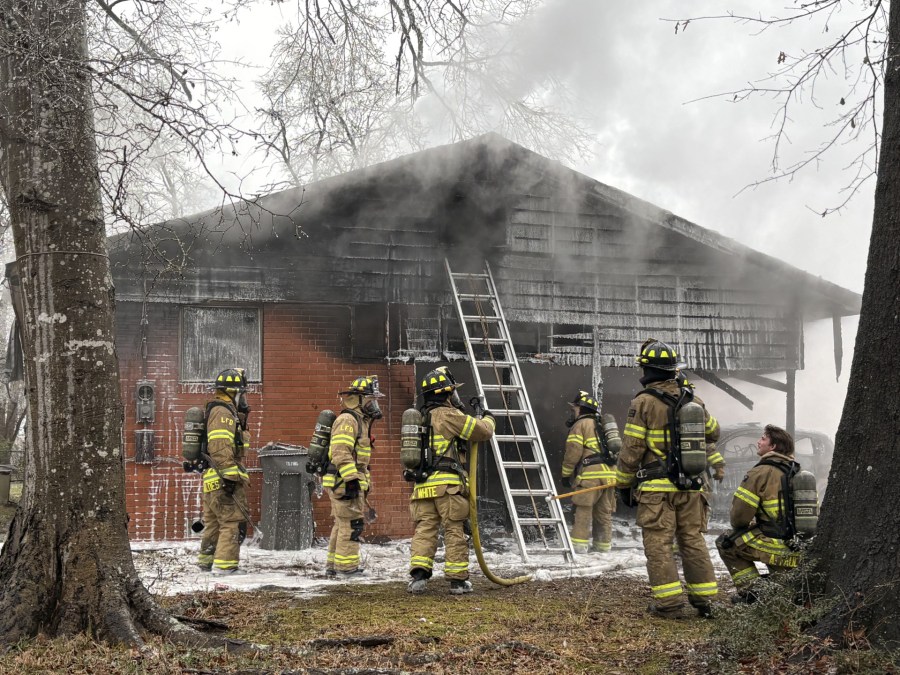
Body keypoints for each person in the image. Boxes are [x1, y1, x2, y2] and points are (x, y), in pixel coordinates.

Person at [615, 339, 725, 619]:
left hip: (657, 491)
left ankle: (669, 604)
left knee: (659, 545)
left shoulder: (643, 403)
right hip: (693, 487)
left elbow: (632, 449)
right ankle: (704, 600)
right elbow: (713, 433)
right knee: (693, 541)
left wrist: (623, 484)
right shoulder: (694, 400)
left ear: (647, 370)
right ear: (674, 370)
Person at [407, 366, 495, 595]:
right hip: (447, 486)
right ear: (445, 393)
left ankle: (418, 578)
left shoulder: (421, 417)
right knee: (454, 529)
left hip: (422, 486)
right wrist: (488, 418)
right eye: (452, 392)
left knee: (425, 529)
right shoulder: (448, 415)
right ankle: (457, 580)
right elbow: (482, 432)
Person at [716, 424, 803, 603]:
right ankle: (773, 592)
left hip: (772, 545)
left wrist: (743, 525)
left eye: (763, 438)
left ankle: (752, 594)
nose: (758, 441)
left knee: (725, 543)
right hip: (795, 547)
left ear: (773, 447)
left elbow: (740, 516)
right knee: (786, 592)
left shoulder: (760, 472)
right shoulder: (797, 472)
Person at [323, 375, 383, 578]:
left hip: (347, 481)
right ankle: (347, 569)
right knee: (352, 524)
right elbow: (340, 451)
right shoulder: (348, 420)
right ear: (358, 399)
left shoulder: (359, 420)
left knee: (342, 524)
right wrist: (351, 480)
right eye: (370, 399)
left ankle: (333, 566)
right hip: (344, 482)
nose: (373, 404)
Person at [197, 367, 252, 574]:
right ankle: (226, 567)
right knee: (232, 521)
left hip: (213, 477)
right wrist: (230, 476)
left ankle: (206, 562)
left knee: (212, 523)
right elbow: (220, 446)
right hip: (222, 477)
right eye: (241, 393)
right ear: (232, 392)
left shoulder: (220, 409)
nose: (243, 398)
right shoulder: (223, 412)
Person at [560, 390, 617, 554]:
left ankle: (579, 547)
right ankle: (603, 548)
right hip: (610, 475)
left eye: (575, 408)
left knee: (583, 511)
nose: (573, 412)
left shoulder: (580, 425)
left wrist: (565, 475)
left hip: (591, 475)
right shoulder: (601, 425)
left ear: (582, 409)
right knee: (604, 514)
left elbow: (572, 453)